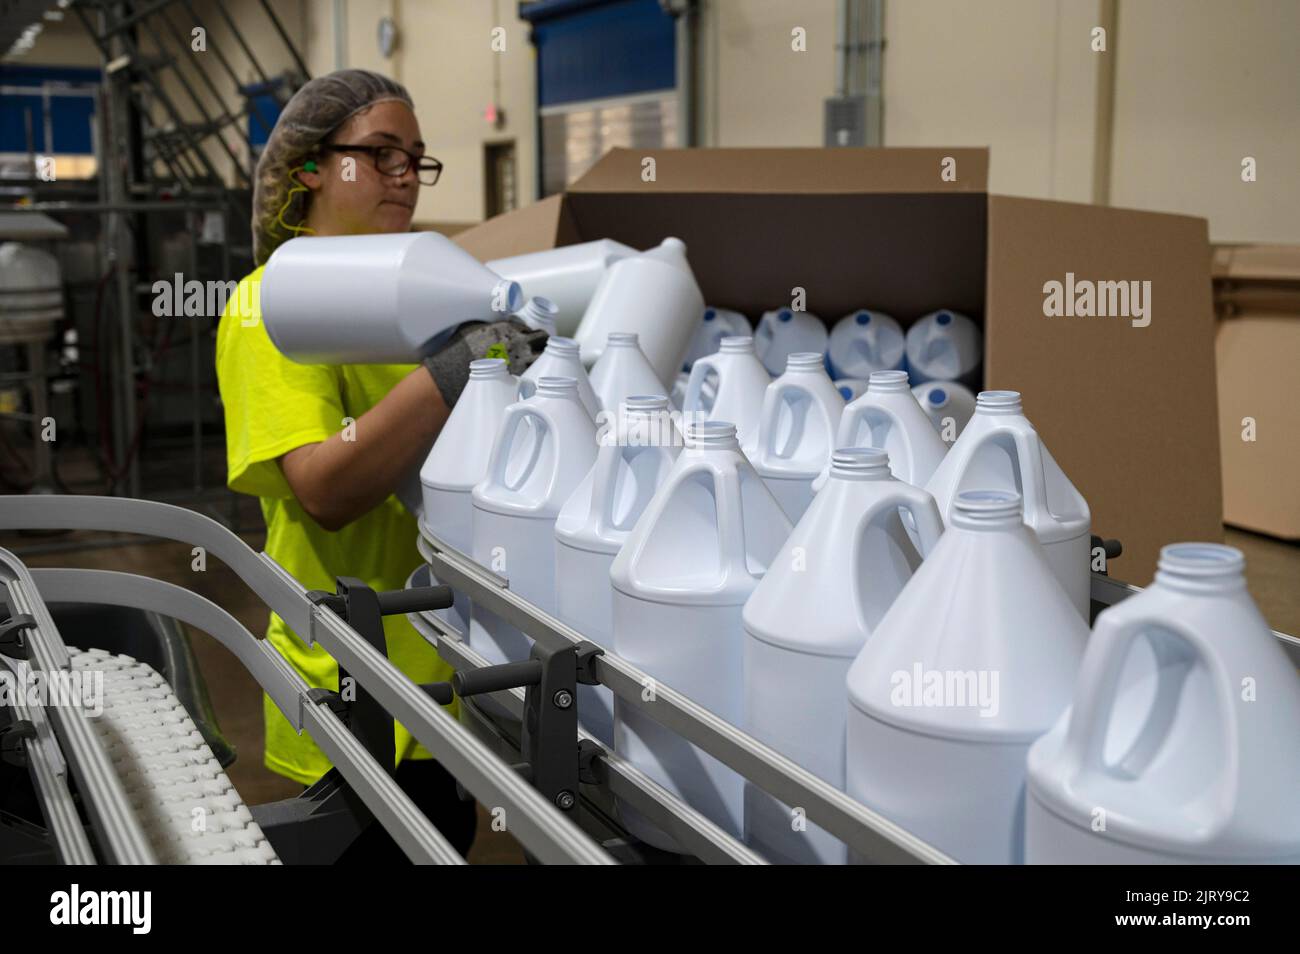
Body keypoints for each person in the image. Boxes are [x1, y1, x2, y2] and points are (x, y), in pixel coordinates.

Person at [215, 69, 545, 862]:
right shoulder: (273, 309)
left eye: (418, 159)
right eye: (381, 153)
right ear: (309, 167)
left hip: (440, 680)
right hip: (351, 685)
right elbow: (326, 489)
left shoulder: (420, 296)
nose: (406, 175)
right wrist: (455, 373)